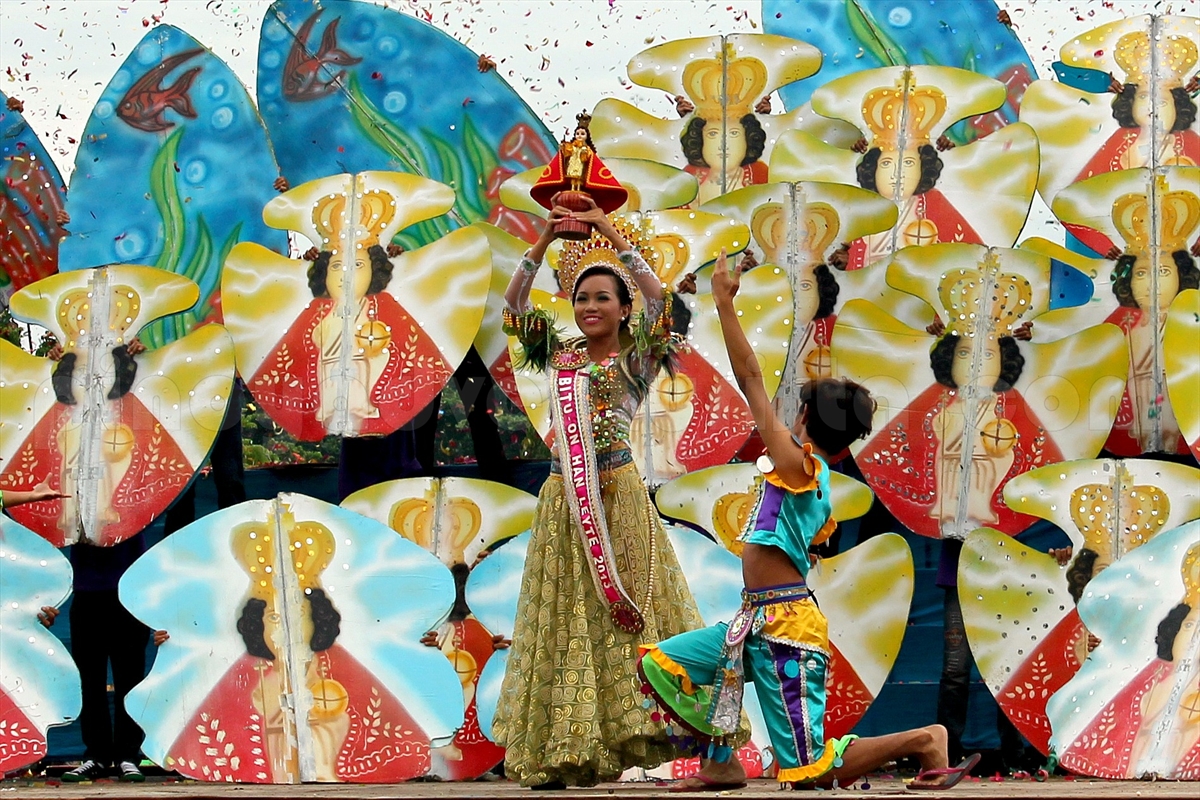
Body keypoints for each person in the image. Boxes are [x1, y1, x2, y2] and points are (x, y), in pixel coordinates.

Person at [638, 250, 975, 791]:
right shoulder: (806, 473)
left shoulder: (798, 466)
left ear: (803, 421)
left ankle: (925, 739)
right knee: (662, 665)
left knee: (808, 771)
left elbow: (749, 376)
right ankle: (721, 763)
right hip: (755, 621)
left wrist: (724, 304)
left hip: (786, 631)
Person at [490, 196, 723, 788]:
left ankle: (658, 737)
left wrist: (606, 230)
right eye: (582, 298)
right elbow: (513, 307)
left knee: (633, 617)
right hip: (564, 500)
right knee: (567, 620)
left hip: (617, 494)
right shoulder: (560, 355)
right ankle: (569, 750)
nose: (591, 306)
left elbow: (664, 303)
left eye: (603, 298)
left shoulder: (638, 358)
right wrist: (544, 241)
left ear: (623, 310)